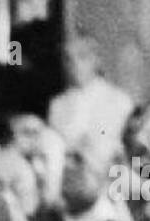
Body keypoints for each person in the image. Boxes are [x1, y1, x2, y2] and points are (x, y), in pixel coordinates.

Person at [47, 35, 134, 169]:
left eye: (82, 57)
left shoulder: (119, 100)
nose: (75, 65)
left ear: (96, 60)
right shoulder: (58, 105)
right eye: (69, 59)